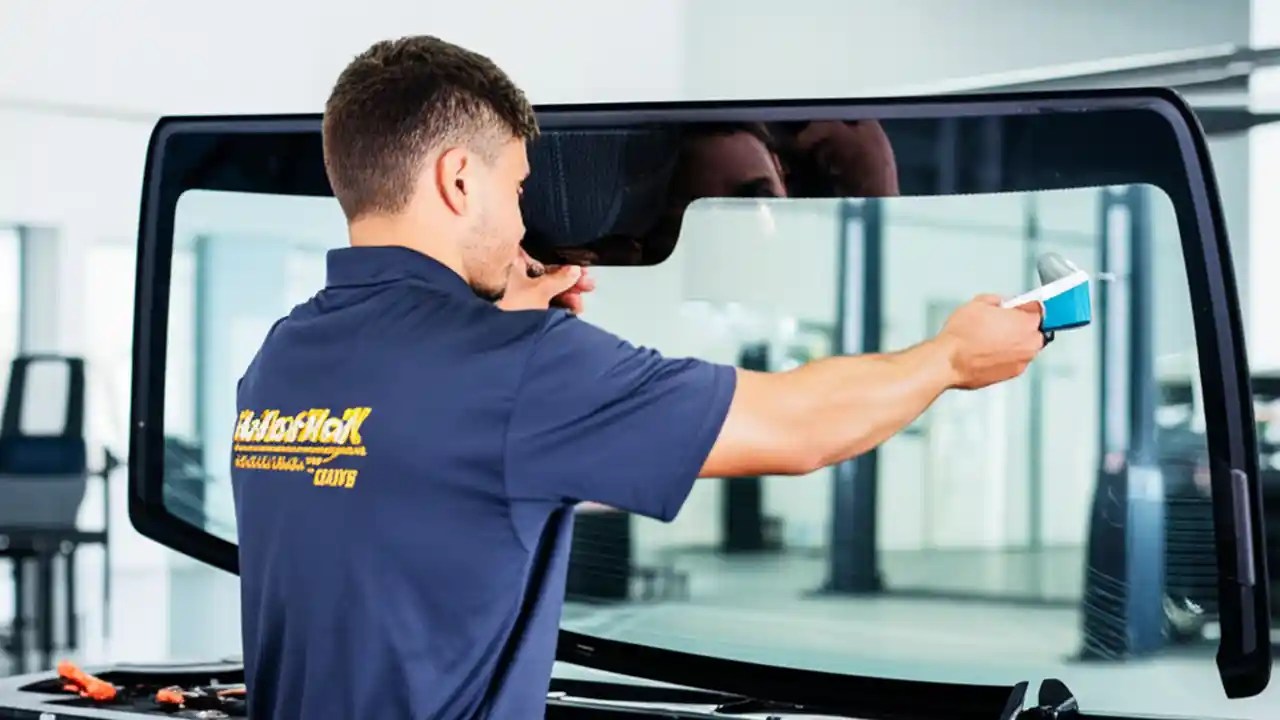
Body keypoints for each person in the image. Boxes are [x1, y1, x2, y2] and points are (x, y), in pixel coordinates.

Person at [230, 35, 1047, 720]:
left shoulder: (279, 360)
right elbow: (799, 427)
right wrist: (949, 357)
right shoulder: (520, 369)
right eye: (516, 188)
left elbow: (408, 498)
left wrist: (506, 323)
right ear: (456, 180)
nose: (521, 221)